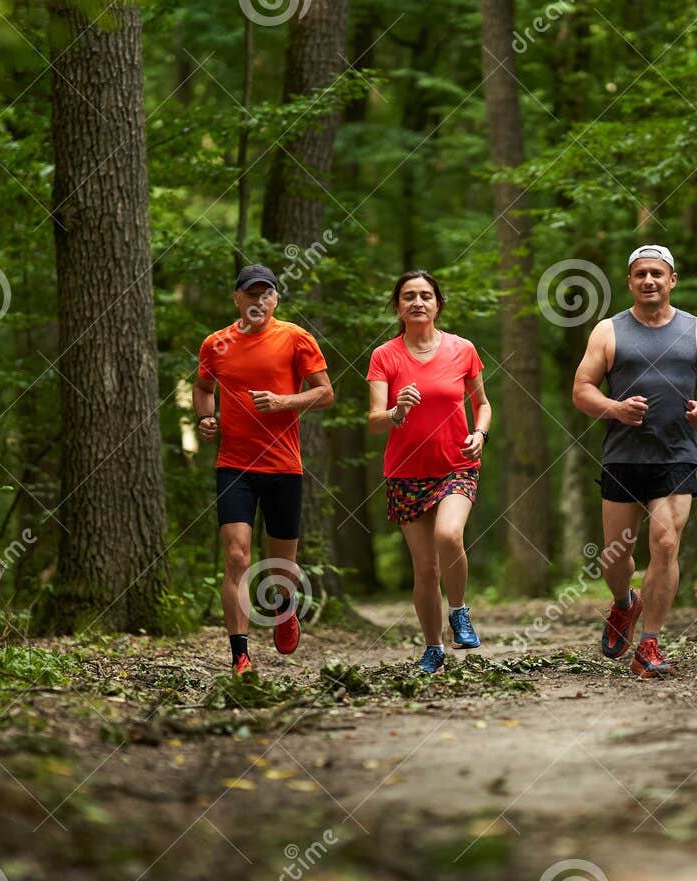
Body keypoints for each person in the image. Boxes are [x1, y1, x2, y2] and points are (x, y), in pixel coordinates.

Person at [571, 243, 697, 679]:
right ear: (629, 281)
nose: (649, 280)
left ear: (672, 280)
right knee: (615, 557)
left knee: (665, 544)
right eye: (640, 273)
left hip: (676, 455)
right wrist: (616, 409)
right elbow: (582, 389)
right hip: (623, 456)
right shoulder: (608, 331)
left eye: (657, 273)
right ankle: (624, 603)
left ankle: (649, 644)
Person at [194, 264, 333, 674]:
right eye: (251, 294)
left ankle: (284, 608)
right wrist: (206, 417)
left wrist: (283, 401)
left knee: (280, 567)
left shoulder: (295, 337)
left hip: (283, 466)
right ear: (237, 299)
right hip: (234, 466)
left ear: (275, 299)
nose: (259, 300)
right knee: (237, 556)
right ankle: (240, 655)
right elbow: (203, 388)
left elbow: (326, 393)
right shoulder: (215, 344)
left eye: (266, 293)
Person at [367, 271, 492, 673]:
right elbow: (374, 420)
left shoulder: (462, 349)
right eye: (409, 296)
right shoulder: (384, 355)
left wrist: (480, 433)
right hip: (405, 473)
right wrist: (397, 411)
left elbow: (482, 404)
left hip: (456, 464)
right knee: (425, 569)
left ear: (438, 304)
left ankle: (459, 611)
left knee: (448, 534)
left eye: (425, 295)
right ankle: (433, 648)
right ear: (398, 307)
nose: (417, 302)